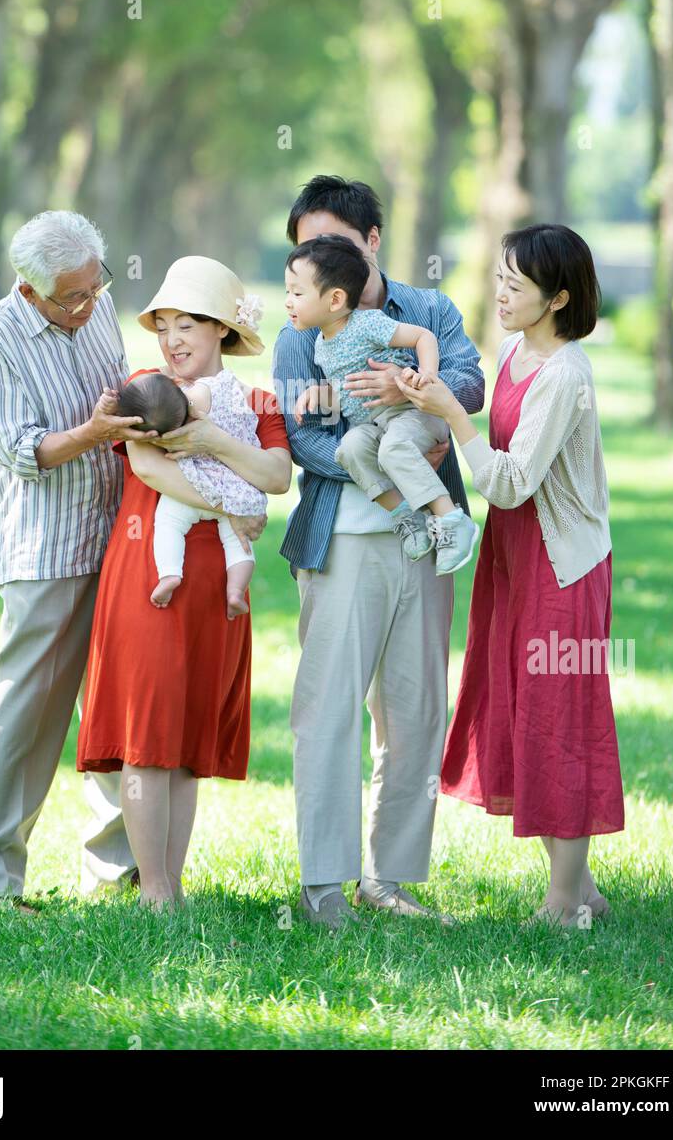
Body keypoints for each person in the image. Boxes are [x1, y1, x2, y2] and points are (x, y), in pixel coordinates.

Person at [396, 224, 624, 928]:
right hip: (513, 559)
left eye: (515, 285)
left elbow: (512, 482)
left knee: (560, 717)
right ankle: (580, 890)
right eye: (498, 276)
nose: (499, 292)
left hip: (560, 566)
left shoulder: (563, 375)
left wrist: (450, 419)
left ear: (557, 298)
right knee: (528, 712)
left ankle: (563, 904)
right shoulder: (517, 352)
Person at [271, 176, 484, 930]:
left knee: (416, 709)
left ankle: (390, 879)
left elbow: (468, 381)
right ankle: (323, 884)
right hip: (343, 541)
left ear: (370, 243)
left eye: (332, 244)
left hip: (428, 542)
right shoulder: (298, 331)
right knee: (327, 709)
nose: (316, 260)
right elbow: (302, 439)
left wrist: (409, 393)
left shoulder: (427, 311)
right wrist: (376, 460)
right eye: (304, 250)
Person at [0, 209, 156, 910]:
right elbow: (20, 450)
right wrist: (93, 432)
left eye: (94, 289)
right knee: (26, 715)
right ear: (30, 290)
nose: (87, 306)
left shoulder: (95, 307)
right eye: (71, 298)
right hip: (45, 547)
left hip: (121, 535)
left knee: (120, 708)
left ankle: (115, 872)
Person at [76, 257, 291, 911]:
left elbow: (277, 476)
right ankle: (157, 893)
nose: (172, 338)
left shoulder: (257, 403)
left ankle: (168, 883)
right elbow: (144, 463)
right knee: (148, 732)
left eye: (188, 323)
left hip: (217, 582)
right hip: (150, 573)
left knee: (188, 738)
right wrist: (233, 505)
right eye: (162, 324)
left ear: (223, 329)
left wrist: (212, 443)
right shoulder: (145, 390)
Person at [288, 233, 479, 574]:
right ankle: (407, 517)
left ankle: (452, 519)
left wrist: (428, 378)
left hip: (415, 413)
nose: (289, 301)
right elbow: (348, 388)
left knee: (392, 449)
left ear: (334, 300)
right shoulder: (320, 344)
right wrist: (318, 394)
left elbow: (424, 336)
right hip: (378, 424)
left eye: (297, 293)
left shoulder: (366, 323)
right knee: (349, 449)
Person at [116, 370, 264, 618]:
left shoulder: (164, 436)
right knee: (238, 541)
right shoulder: (213, 392)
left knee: (167, 524)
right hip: (236, 489)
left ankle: (170, 574)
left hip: (191, 489)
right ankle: (236, 590)